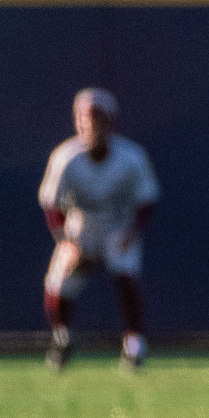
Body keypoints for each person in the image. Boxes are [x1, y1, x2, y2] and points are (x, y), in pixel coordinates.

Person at [38, 87, 160, 371]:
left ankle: (134, 346)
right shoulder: (65, 156)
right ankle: (62, 339)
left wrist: (131, 234)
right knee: (58, 282)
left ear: (110, 123)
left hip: (119, 224)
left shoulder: (131, 157)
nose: (91, 126)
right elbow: (51, 204)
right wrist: (67, 242)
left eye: (98, 120)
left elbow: (146, 200)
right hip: (80, 225)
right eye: (84, 119)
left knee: (125, 275)